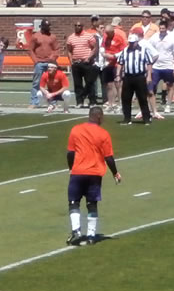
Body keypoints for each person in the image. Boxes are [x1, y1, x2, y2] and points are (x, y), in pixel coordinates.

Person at [65, 107, 121, 245]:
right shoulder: (103, 134)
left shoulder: (75, 130)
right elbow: (108, 157)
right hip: (95, 173)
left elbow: (70, 153)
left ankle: (76, 230)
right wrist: (115, 173)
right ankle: (91, 235)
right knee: (92, 204)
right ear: (99, 117)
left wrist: (71, 168)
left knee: (73, 202)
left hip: (78, 172)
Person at [117, 30, 155, 124]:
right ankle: (127, 118)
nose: (131, 44)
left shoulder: (143, 50)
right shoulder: (125, 51)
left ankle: (146, 118)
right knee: (126, 98)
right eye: (130, 42)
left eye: (133, 43)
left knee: (142, 98)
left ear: (137, 42)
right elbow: (120, 63)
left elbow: (149, 63)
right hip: (128, 77)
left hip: (140, 76)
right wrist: (118, 75)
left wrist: (149, 75)